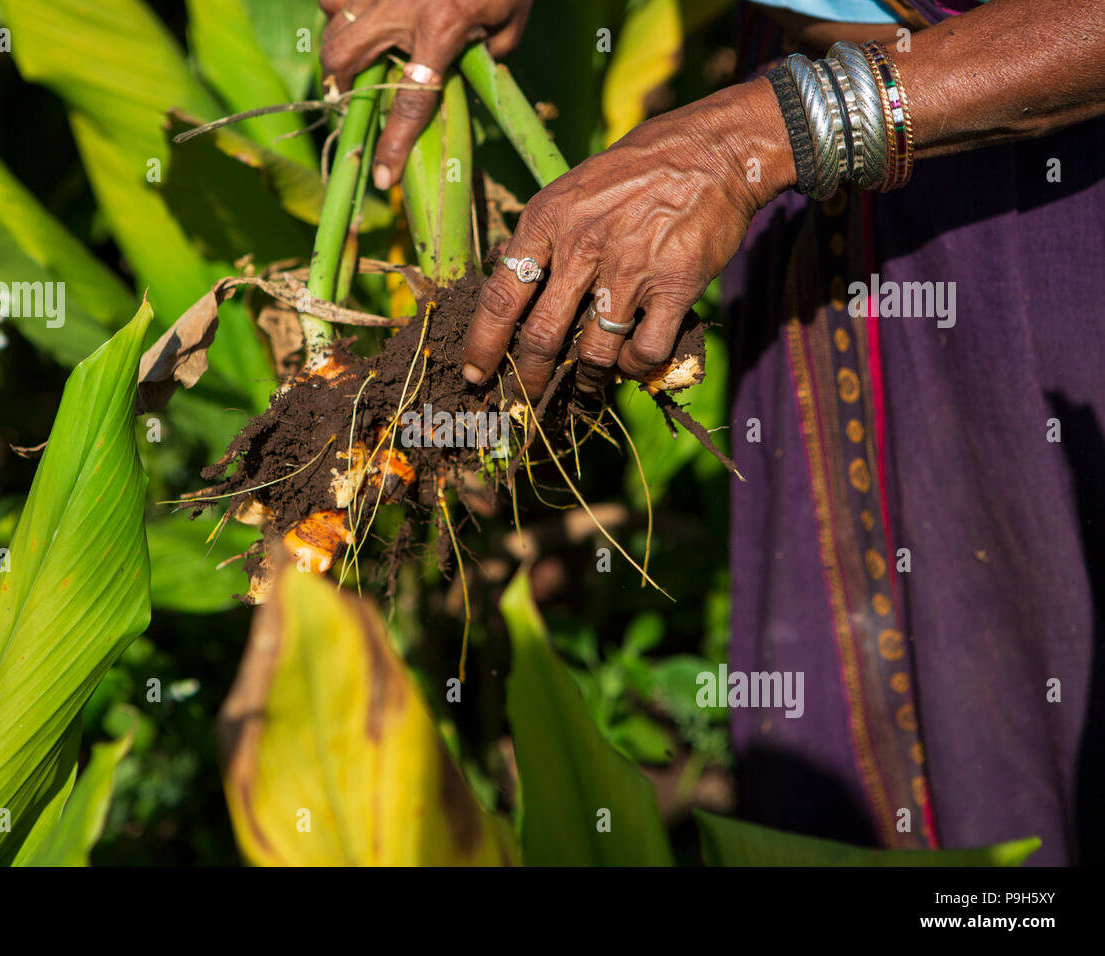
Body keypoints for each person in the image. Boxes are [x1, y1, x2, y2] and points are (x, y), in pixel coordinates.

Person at [319, 0, 1105, 865]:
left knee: (1036, 659)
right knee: (845, 683)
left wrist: (752, 142)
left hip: (1038, 185)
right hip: (813, 176)